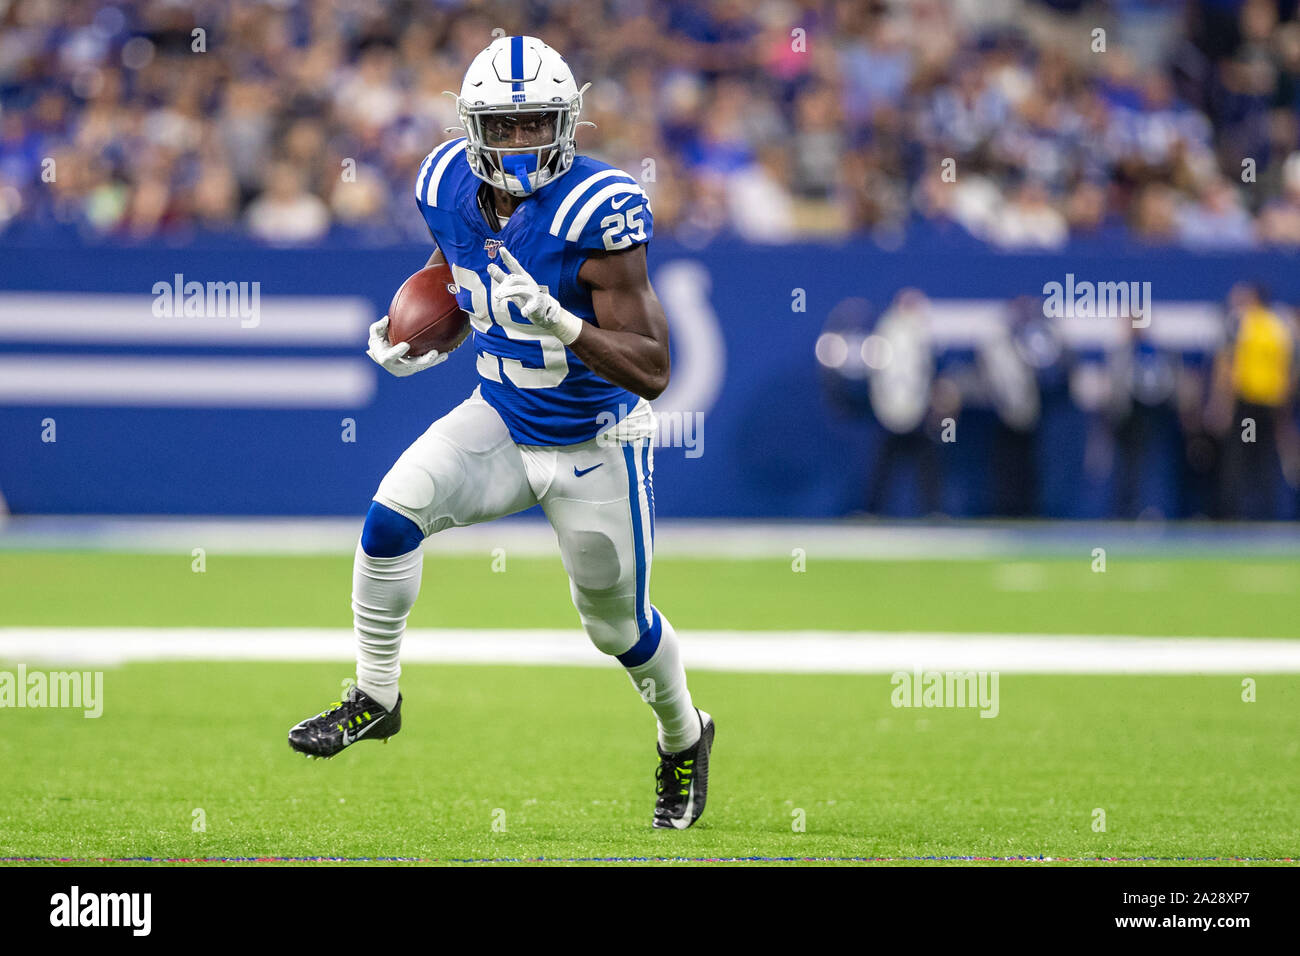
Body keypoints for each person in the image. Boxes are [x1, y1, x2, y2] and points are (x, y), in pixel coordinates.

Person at [287, 36, 714, 830]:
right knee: (390, 517)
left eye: (536, 123)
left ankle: (683, 735)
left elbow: (653, 367)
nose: (521, 142)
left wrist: (564, 322)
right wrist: (418, 336)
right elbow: (456, 273)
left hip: (594, 442)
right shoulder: (444, 181)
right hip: (501, 415)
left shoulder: (602, 210)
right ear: (473, 127)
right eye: (505, 126)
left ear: (569, 121)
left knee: (616, 627)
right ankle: (376, 695)